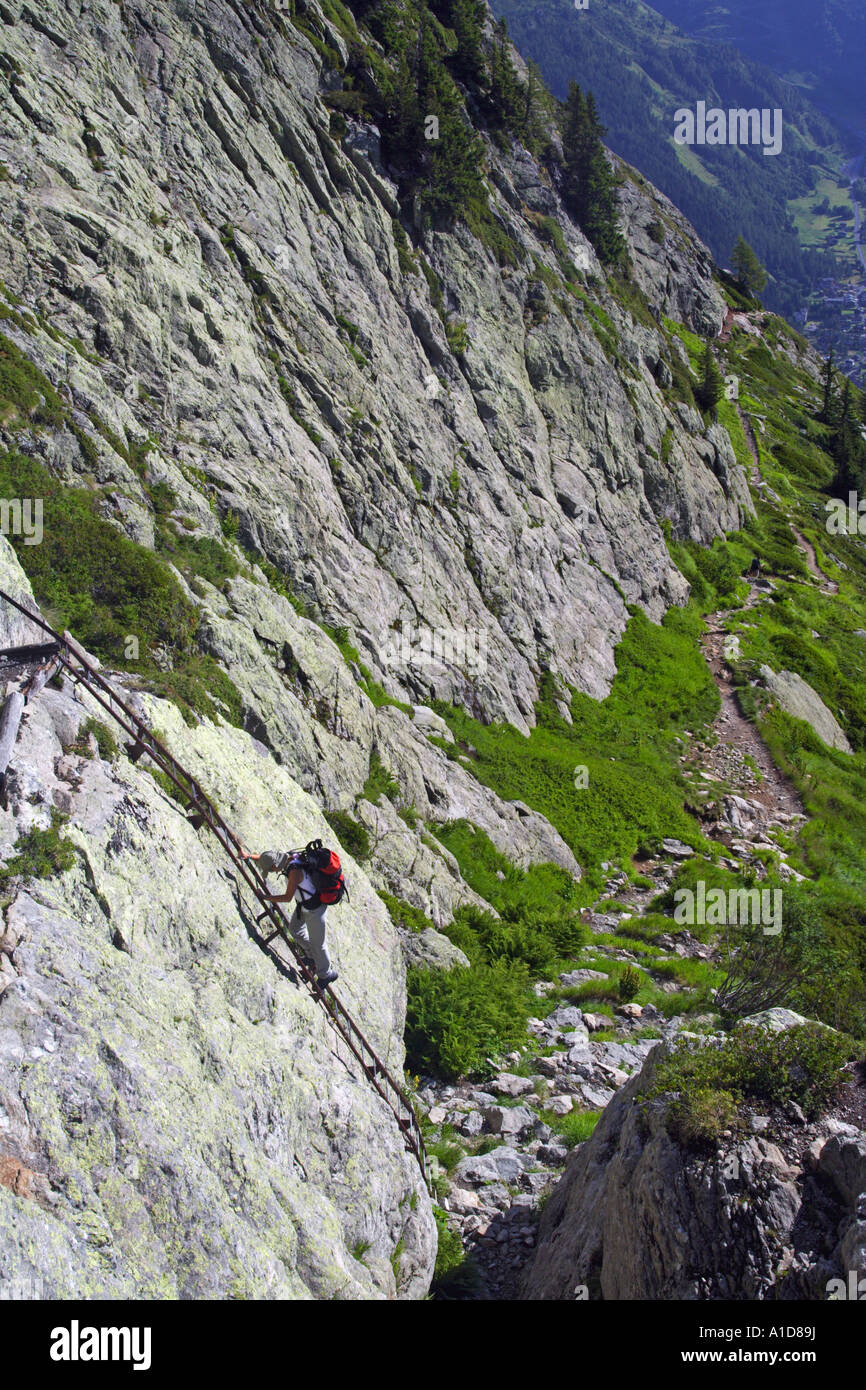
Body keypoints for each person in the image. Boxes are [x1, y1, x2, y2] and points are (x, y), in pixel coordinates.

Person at [240, 846, 338, 987]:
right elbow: (265, 858)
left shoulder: (294, 872)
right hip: (304, 905)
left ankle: (326, 974)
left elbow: (287, 898)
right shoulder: (286, 856)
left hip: (315, 909)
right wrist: (248, 856)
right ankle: (311, 956)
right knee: (295, 929)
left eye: (271, 870)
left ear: (275, 866)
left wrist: (266, 897)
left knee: (319, 944)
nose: (272, 872)